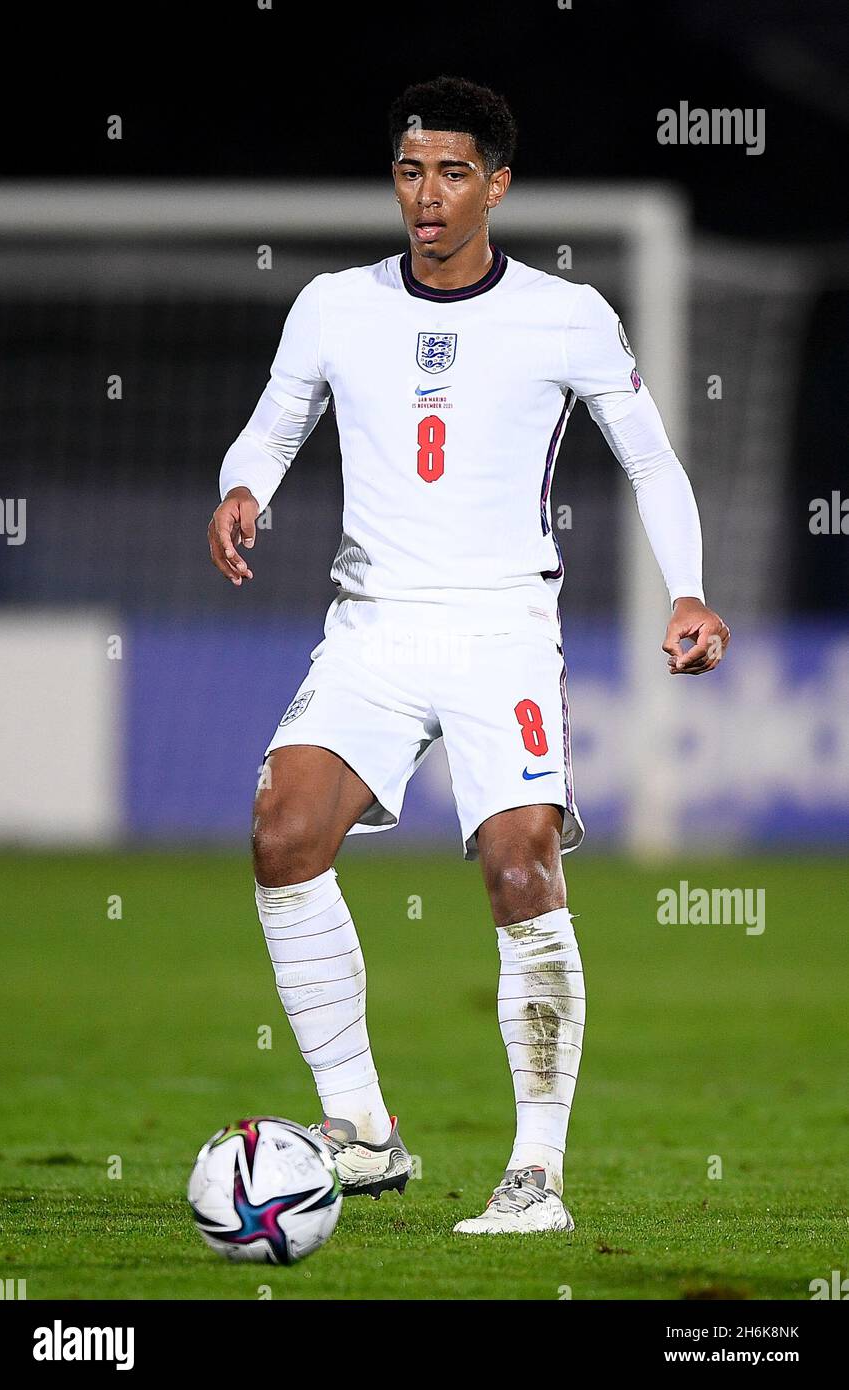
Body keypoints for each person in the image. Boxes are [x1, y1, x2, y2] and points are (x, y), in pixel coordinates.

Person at [208, 75, 730, 1235]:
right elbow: (276, 419)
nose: (425, 195)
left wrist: (688, 590)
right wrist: (243, 486)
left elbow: (649, 461)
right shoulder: (334, 305)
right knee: (283, 833)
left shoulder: (567, 314)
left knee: (517, 864)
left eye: (450, 172)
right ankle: (362, 1130)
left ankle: (534, 1175)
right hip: (372, 624)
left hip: (500, 627)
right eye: (408, 170)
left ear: (496, 183)